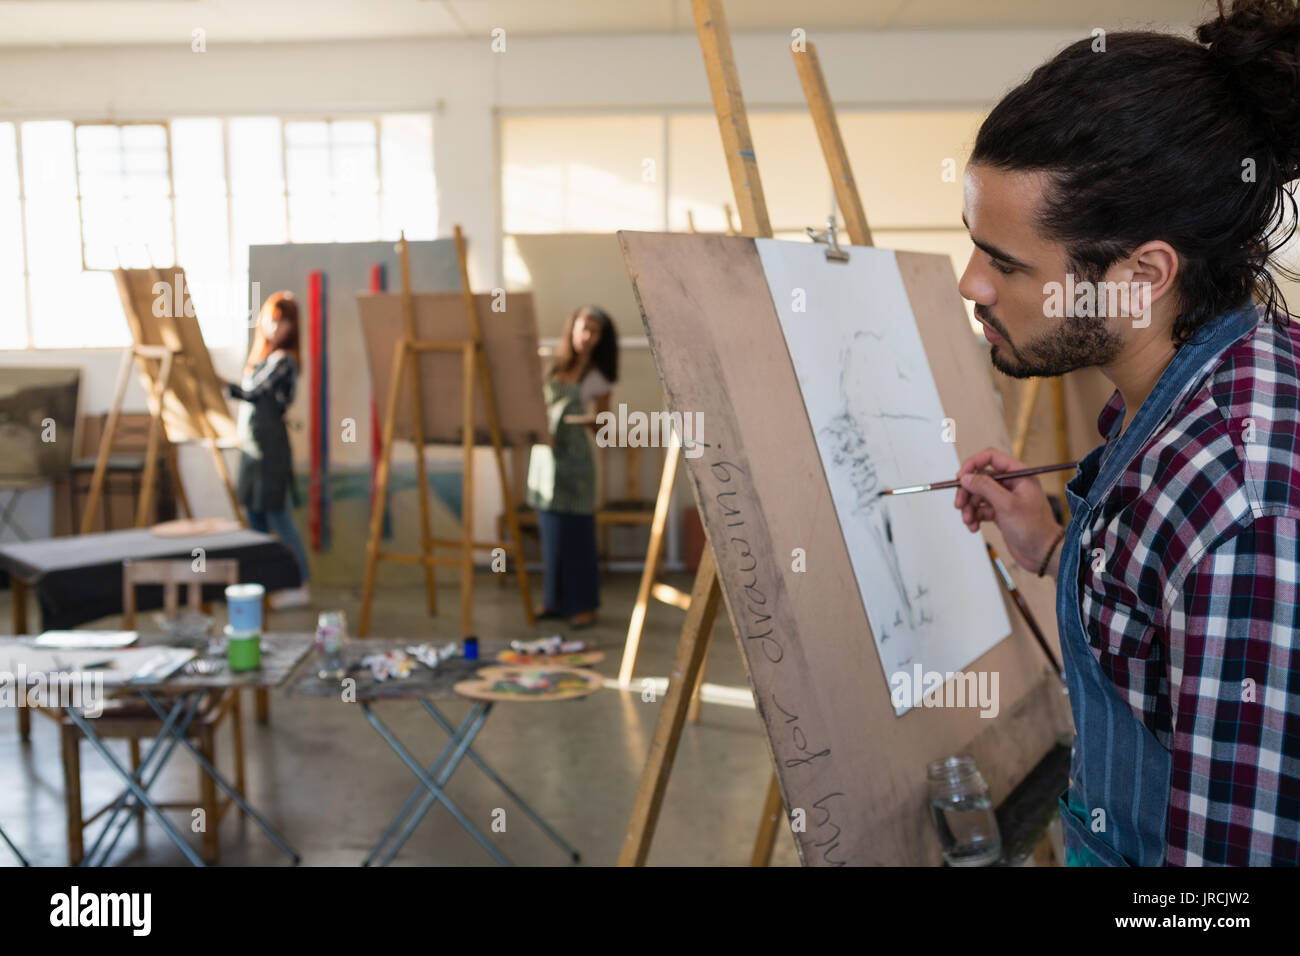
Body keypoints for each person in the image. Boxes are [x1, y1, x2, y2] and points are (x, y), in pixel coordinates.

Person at [951, 0, 1300, 866]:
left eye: (1005, 262)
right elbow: (1166, 622)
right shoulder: (1194, 387)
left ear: (1141, 276)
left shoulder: (1240, 511)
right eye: (974, 246)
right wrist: (1054, 545)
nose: (970, 284)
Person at [526, 306, 619, 628]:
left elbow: (605, 427)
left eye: (596, 332)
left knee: (578, 536)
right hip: (544, 459)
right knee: (551, 535)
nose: (589, 336)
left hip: (576, 464)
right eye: (585, 328)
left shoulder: (597, 377)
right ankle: (554, 601)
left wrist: (593, 423)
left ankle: (583, 605)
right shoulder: (552, 366)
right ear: (573, 328)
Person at [226, 291, 311, 610]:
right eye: (273, 320)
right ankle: (264, 582)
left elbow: (253, 392)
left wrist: (223, 385)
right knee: (255, 516)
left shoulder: (283, 361)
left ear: (292, 327)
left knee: (280, 515)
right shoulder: (262, 358)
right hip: (252, 449)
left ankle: (300, 581)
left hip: (271, 449)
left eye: (283, 322)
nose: (276, 328)